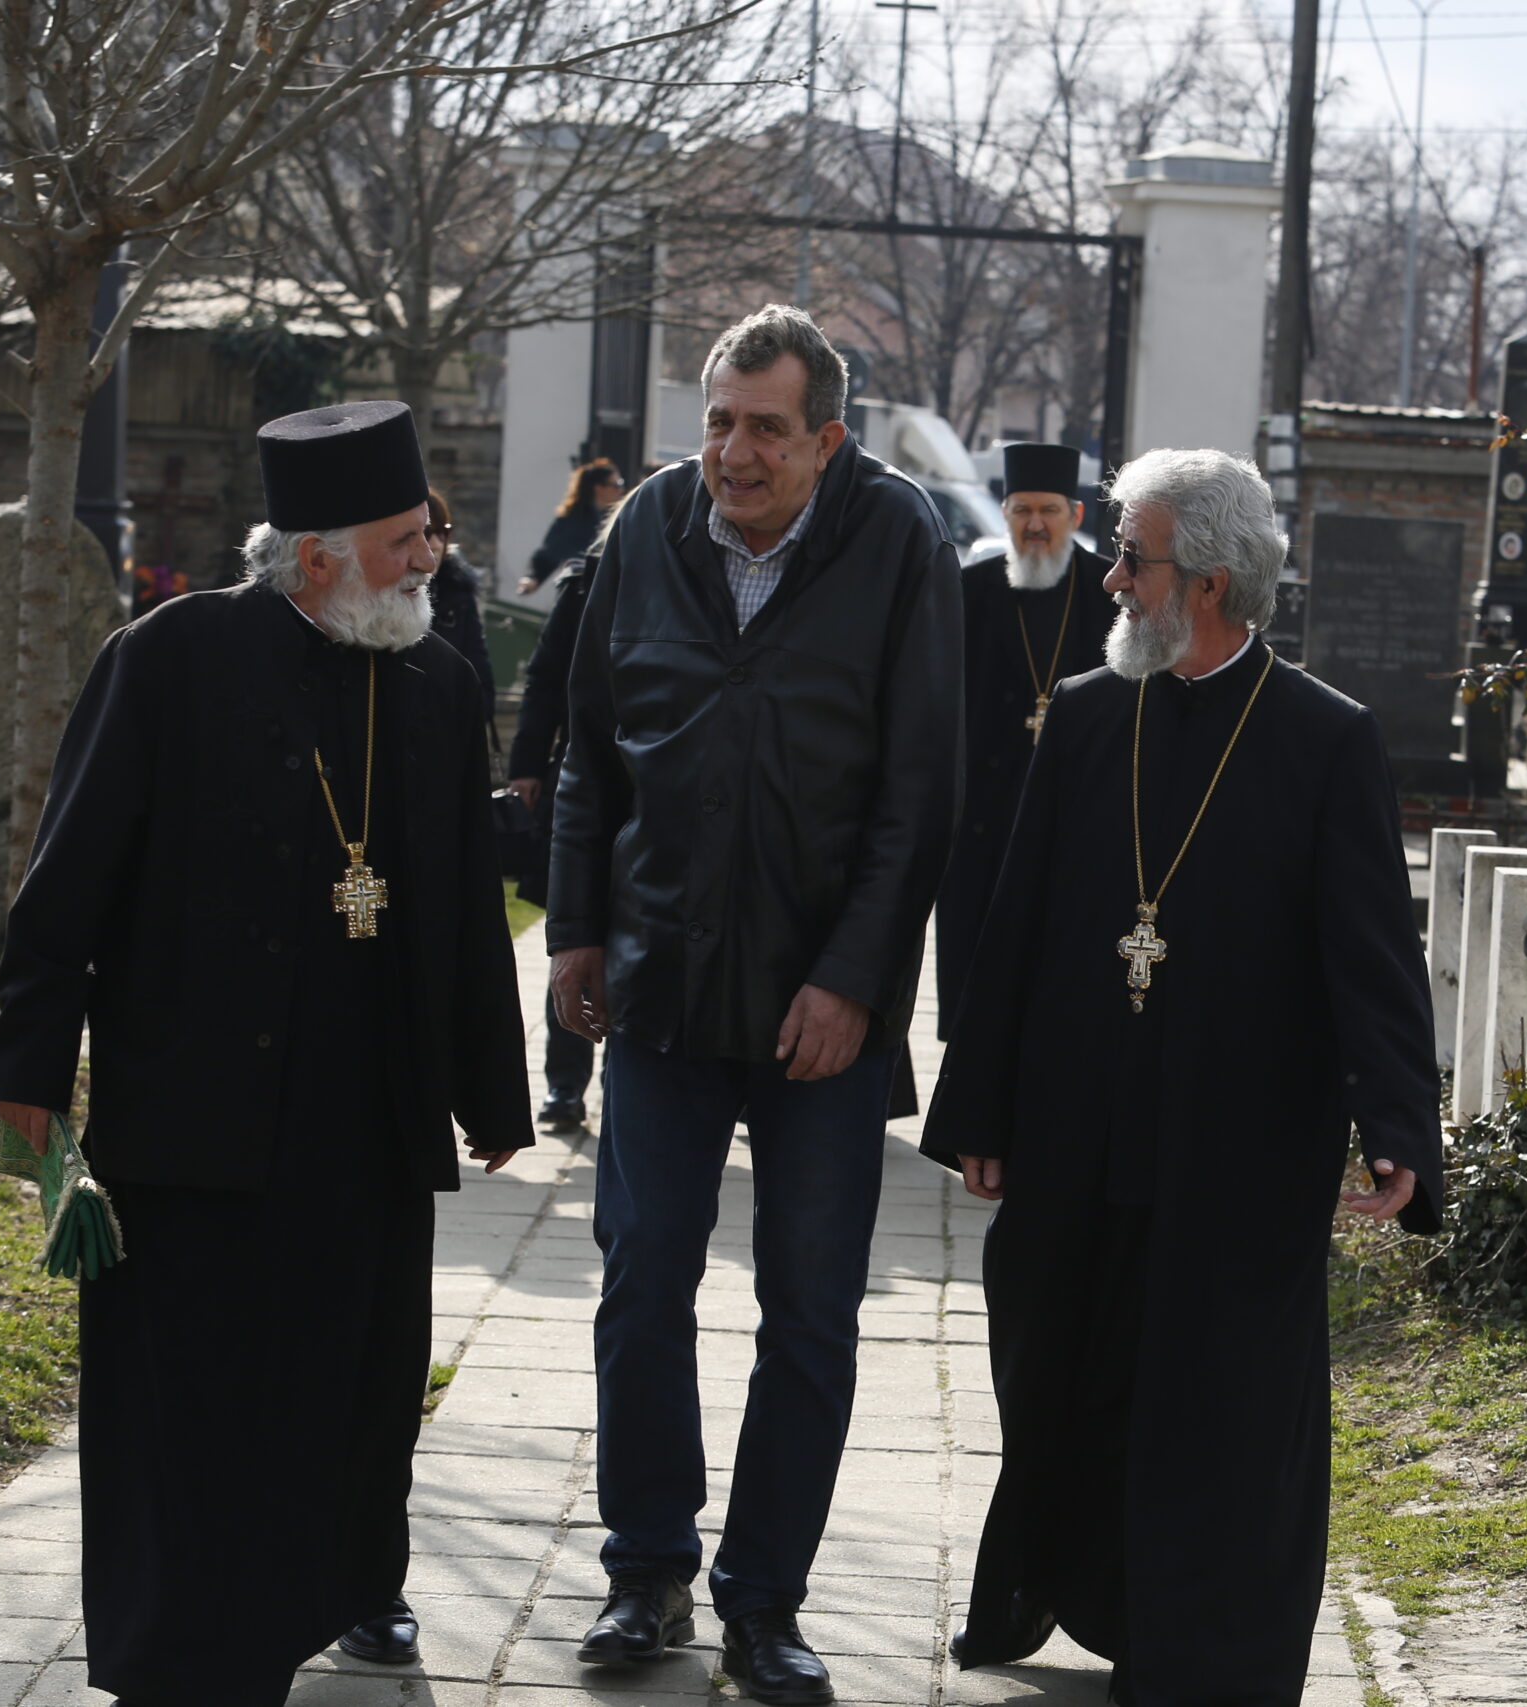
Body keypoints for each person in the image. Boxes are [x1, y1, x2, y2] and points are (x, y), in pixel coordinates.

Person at [0, 399, 533, 1706]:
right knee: (191, 1409)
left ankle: (322, 1604)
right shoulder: (170, 657)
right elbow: (67, 890)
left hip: (365, 1129)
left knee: (343, 1397)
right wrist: (27, 1089)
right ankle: (181, 1651)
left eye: (426, 538)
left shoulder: (439, 684)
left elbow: (462, 911)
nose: (427, 561)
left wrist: (492, 1090)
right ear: (320, 552)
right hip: (193, 1120)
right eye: (402, 541)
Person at [920, 447, 1443, 1707]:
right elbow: (1020, 918)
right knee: (1065, 1363)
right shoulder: (1098, 714)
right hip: (1078, 1122)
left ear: (1206, 582)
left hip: (1239, 1138)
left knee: (1217, 1399)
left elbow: (1371, 951)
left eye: (1131, 559)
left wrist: (1396, 1125)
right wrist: (980, 1106)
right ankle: (1091, 1594)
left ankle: (1206, 1646)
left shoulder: (1324, 738)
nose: (1109, 578)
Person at [546, 304, 961, 1698]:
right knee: (641, 1275)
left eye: (765, 427)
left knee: (814, 1310)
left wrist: (855, 979)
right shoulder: (648, 527)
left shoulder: (898, 541)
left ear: (827, 439)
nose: (733, 450)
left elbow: (918, 794)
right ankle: (645, 1569)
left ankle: (765, 1597)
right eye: (720, 418)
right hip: (660, 981)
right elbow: (586, 752)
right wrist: (578, 930)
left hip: (819, 1008)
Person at [934, 442, 1111, 1035]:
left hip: (1078, 821)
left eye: (1049, 510)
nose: (1035, 524)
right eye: (1021, 510)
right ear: (1004, 512)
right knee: (973, 996)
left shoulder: (1110, 594)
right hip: (981, 824)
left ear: (1075, 516)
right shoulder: (968, 591)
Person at [506, 529, 604, 1128]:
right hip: (584, 779)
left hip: (667, 790)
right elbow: (545, 679)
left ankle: (631, 1091)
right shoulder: (588, 580)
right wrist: (525, 769)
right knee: (574, 931)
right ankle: (565, 1086)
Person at [424, 488, 499, 751]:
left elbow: (480, 678)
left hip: (446, 740)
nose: (435, 543)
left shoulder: (459, 593)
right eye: (425, 532)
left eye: (442, 532)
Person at [521, 457, 624, 594]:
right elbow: (551, 551)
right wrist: (534, 578)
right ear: (599, 487)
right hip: (579, 591)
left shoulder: (616, 518)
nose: (621, 489)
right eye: (617, 484)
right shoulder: (575, 518)